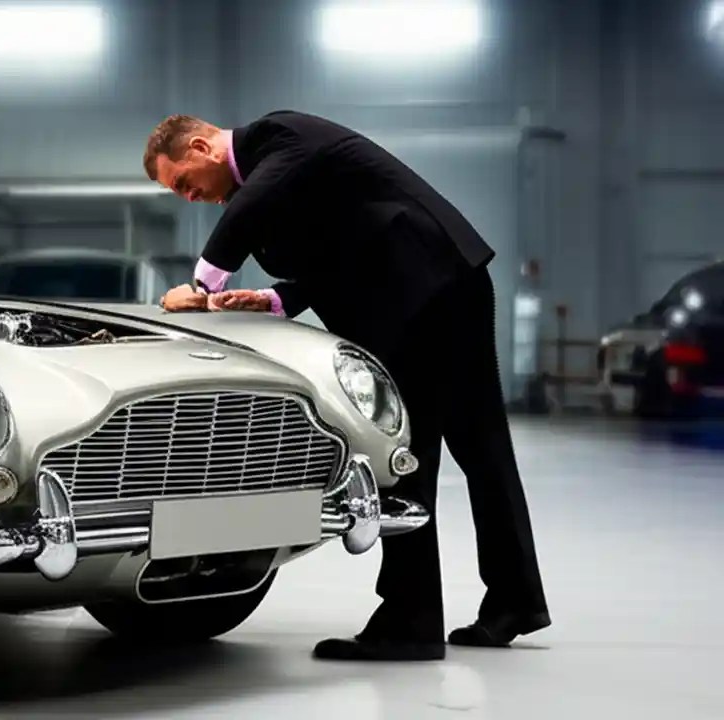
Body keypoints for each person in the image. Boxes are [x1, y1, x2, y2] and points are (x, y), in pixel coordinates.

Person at [144, 111, 550, 661]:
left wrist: (200, 284)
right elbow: (338, 251)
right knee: (479, 447)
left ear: (200, 147)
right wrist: (275, 299)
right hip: (440, 286)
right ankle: (514, 600)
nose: (189, 197)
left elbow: (255, 205)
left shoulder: (277, 137)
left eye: (183, 183)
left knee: (404, 455)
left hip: (423, 291)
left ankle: (410, 621)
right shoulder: (273, 179)